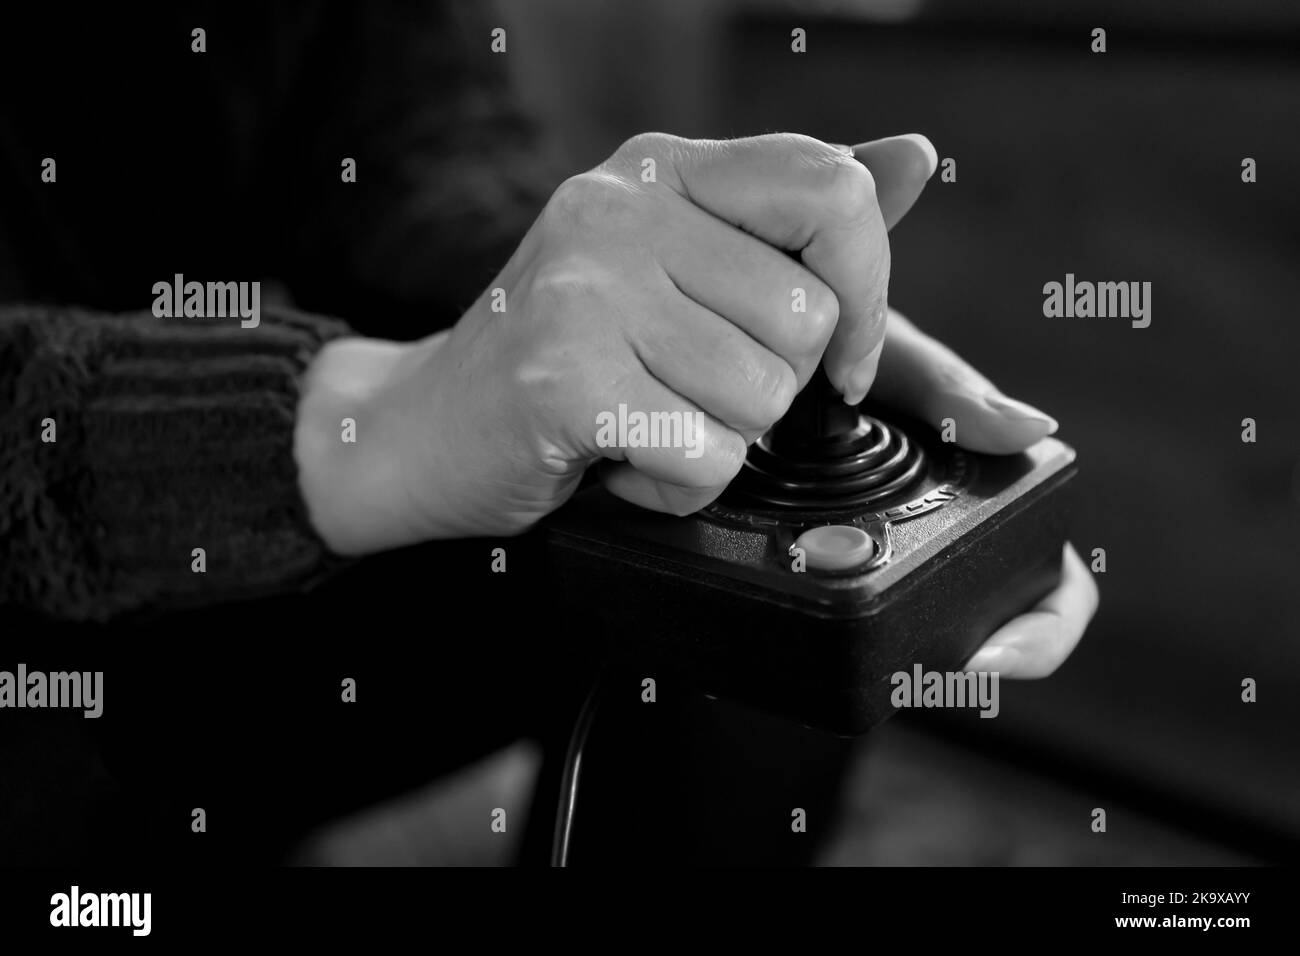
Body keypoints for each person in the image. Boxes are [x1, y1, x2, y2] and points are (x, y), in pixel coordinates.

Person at [0, 4, 1097, 863]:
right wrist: (362, 415)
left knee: (743, 593)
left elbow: (411, 151)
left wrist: (622, 307)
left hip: (268, 561)